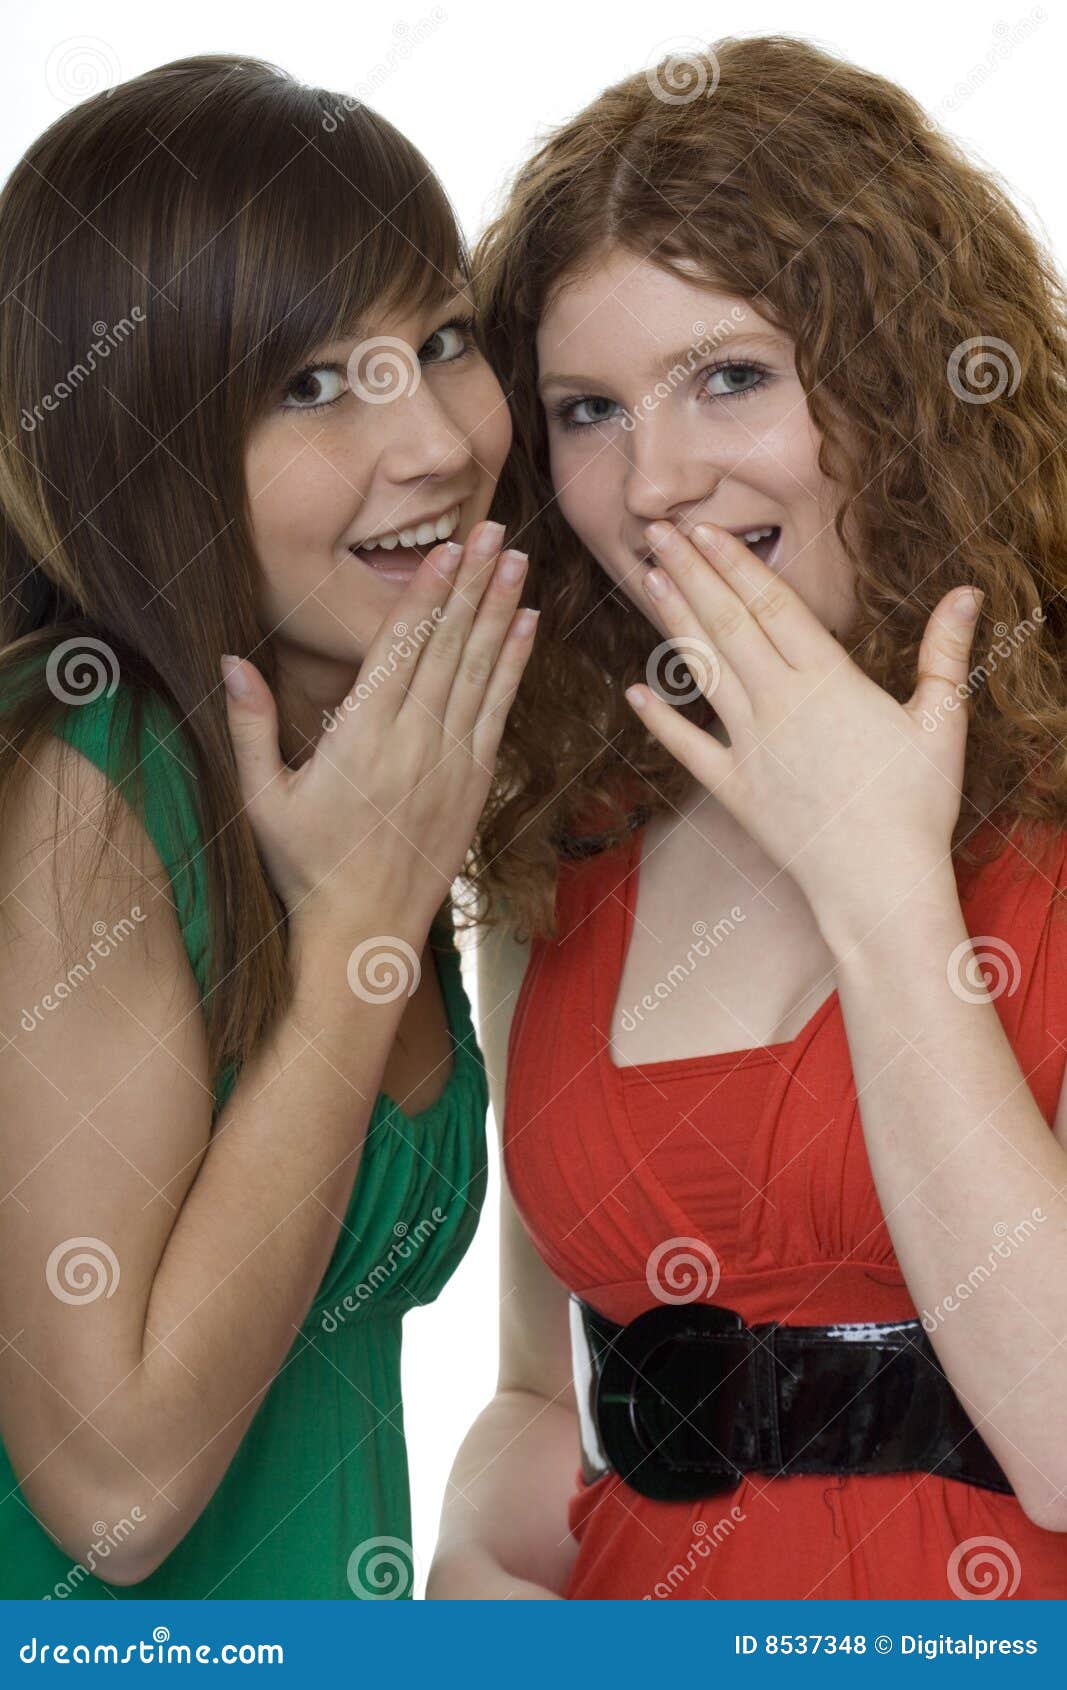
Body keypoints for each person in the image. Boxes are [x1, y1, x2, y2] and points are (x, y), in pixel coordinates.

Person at [430, 34, 1067, 1600]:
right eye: (586, 410)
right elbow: (538, 1395)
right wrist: (475, 1570)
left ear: (913, 387)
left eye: (731, 376)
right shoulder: (566, 837)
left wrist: (881, 883)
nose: (652, 482)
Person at [0, 53, 536, 1598]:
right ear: (134, 450)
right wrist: (361, 938)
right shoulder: (87, 785)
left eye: (438, 338)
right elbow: (115, 1488)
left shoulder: (372, 753)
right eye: (311, 383)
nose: (434, 438)